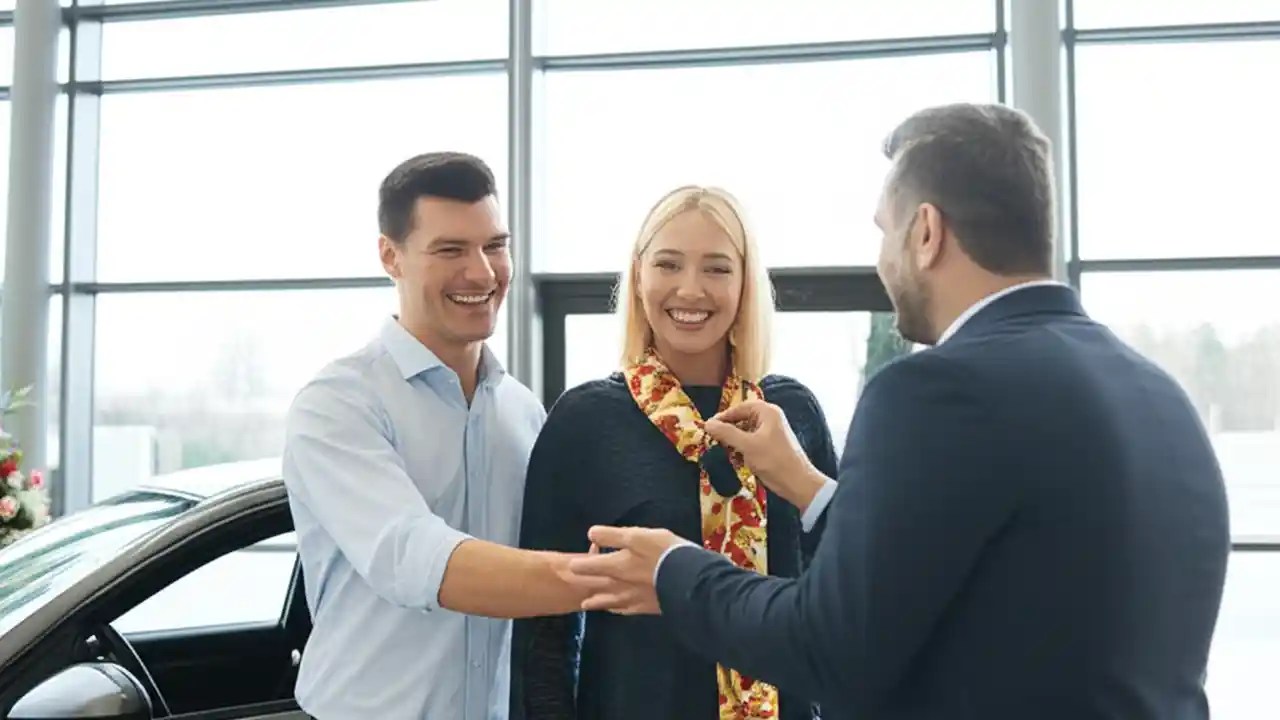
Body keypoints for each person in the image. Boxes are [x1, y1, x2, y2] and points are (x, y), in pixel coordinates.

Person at [563, 104, 1231, 719]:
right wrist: (810, 488)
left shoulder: (932, 391)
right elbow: (977, 588)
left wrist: (673, 570)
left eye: (885, 231)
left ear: (927, 232)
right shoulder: (1160, 398)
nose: (881, 260)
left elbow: (833, 650)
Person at [511, 186, 838, 720]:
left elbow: (843, 588)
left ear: (744, 283)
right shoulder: (585, 421)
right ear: (639, 276)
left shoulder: (790, 413)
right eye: (668, 264)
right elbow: (544, 633)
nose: (690, 290)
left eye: (716, 268)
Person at [282, 152, 588, 719]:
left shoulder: (523, 413)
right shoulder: (338, 405)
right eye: (450, 250)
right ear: (390, 256)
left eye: (495, 245)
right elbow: (415, 557)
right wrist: (623, 581)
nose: (482, 272)